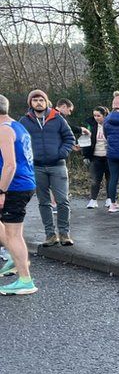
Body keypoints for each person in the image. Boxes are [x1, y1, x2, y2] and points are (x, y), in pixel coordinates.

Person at [20, 89, 74, 246]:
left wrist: (61, 153)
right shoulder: (24, 121)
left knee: (63, 200)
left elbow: (69, 138)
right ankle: (50, 235)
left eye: (41, 100)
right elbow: (20, 142)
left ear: (46, 102)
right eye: (35, 100)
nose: (38, 102)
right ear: (30, 103)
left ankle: (64, 233)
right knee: (44, 202)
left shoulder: (57, 118)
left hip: (57, 166)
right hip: (37, 167)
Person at [0, 94, 37, 296]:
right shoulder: (16, 125)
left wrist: (1, 191)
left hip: (14, 187)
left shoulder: (3, 130)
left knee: (14, 234)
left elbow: (10, 164)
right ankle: (16, 256)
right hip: (22, 184)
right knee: (11, 232)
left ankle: (25, 280)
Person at [83, 106, 111, 208]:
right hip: (96, 156)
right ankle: (93, 200)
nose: (96, 118)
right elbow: (86, 140)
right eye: (94, 115)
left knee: (110, 179)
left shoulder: (110, 125)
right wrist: (86, 155)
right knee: (95, 179)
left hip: (109, 156)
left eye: (98, 116)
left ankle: (110, 199)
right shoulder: (91, 126)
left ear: (105, 115)